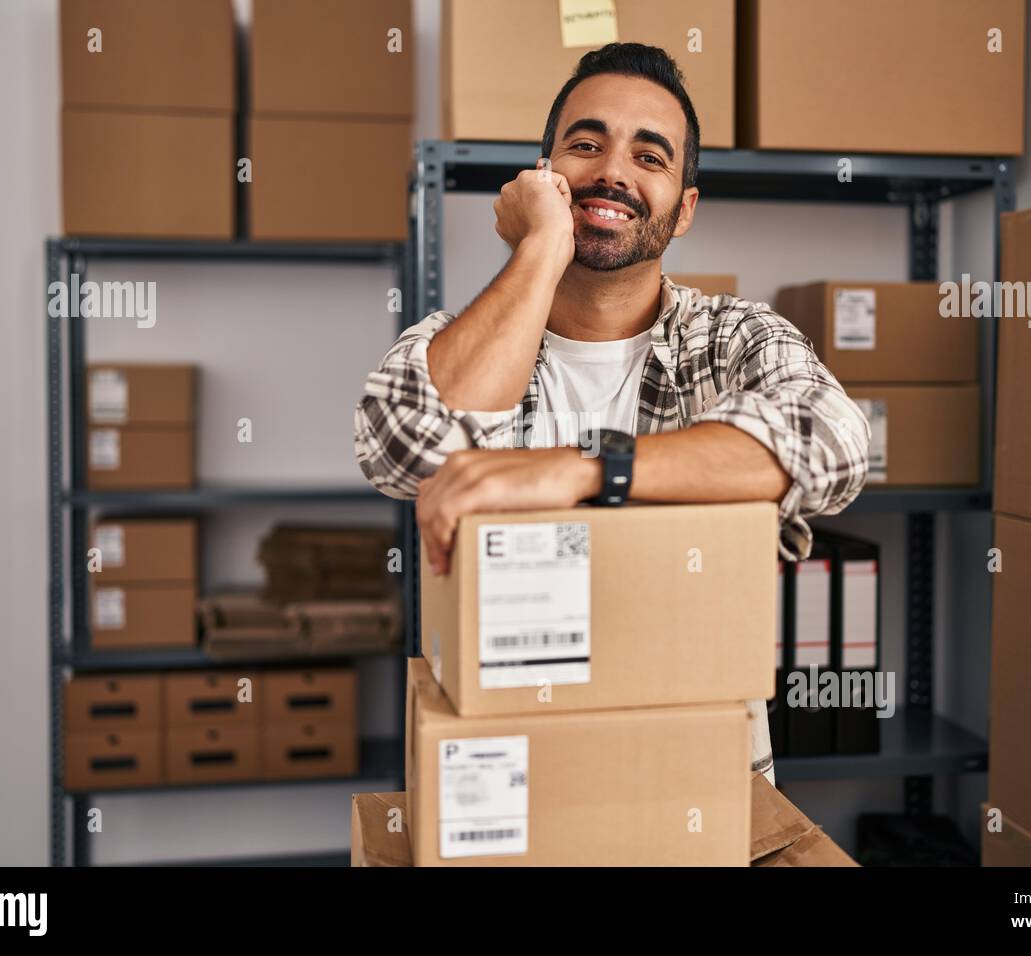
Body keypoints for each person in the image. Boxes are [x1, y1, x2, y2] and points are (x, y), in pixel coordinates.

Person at [355, 43, 870, 785]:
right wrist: (541, 249)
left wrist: (582, 471)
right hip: (503, 781)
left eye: (650, 157)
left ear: (684, 208)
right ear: (543, 177)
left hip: (694, 785)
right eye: (586, 145)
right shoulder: (459, 338)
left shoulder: (729, 338)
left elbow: (835, 441)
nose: (612, 173)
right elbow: (398, 446)